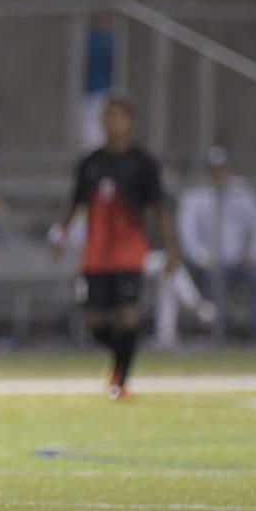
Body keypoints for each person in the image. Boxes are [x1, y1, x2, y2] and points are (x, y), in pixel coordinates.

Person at [48, 94, 176, 400]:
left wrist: (172, 249)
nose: (111, 123)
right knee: (96, 320)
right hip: (97, 254)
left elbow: (160, 208)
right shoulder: (90, 162)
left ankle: (120, 380)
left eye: (118, 116)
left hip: (129, 252)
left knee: (129, 315)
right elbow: (74, 204)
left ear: (129, 121)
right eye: (107, 117)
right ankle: (121, 360)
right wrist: (59, 237)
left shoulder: (143, 163)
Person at [178, 146, 256, 342]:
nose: (220, 174)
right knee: (213, 279)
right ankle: (219, 332)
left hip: (240, 261)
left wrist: (254, 254)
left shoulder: (244, 193)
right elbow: (187, 233)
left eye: (223, 169)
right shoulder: (195, 197)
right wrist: (201, 256)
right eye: (215, 169)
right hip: (210, 262)